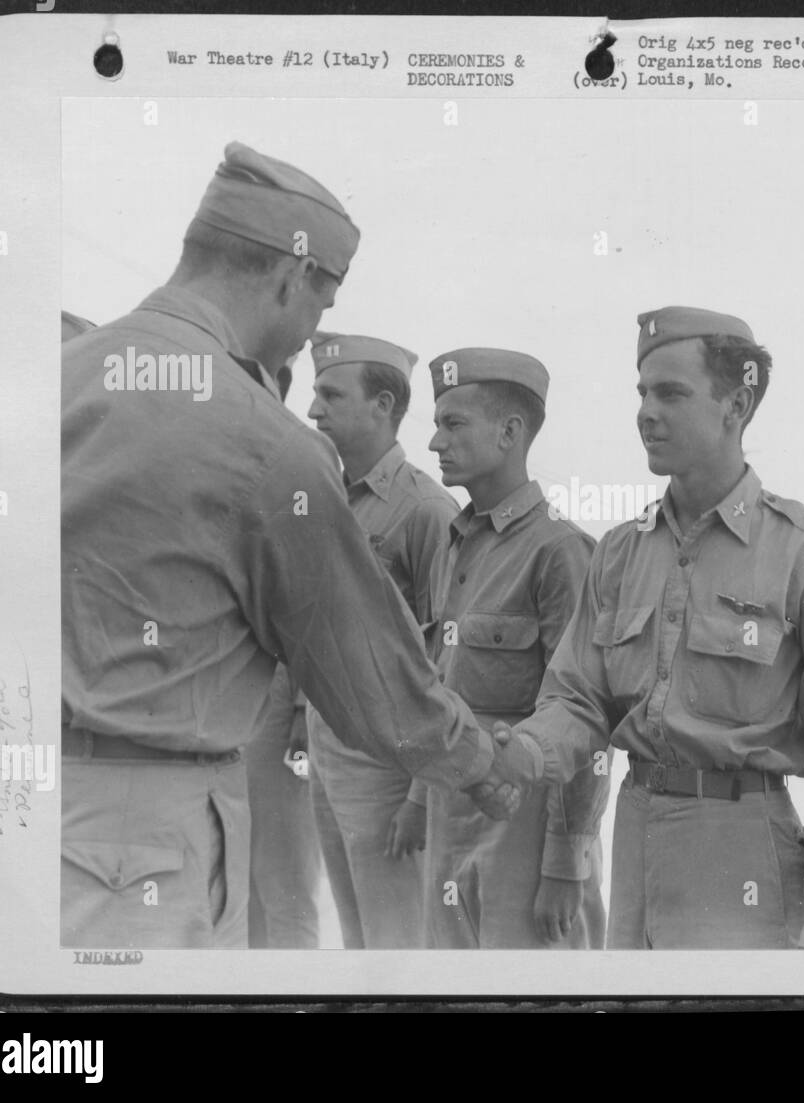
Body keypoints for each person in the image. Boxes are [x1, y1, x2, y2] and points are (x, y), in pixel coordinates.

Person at [60, 141, 535, 948]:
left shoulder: (59, 372)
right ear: (288, 278)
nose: (306, 342)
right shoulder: (264, 442)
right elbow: (371, 672)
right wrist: (482, 765)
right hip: (145, 839)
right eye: (317, 308)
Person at [498, 307, 804, 949]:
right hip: (637, 831)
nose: (647, 411)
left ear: (736, 404)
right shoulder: (621, 551)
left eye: (671, 393)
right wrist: (524, 751)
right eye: (643, 393)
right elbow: (577, 696)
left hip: (741, 853)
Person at [412, 347, 608, 948]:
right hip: (451, 819)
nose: (434, 442)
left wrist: (564, 863)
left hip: (524, 832)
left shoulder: (560, 552)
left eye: (453, 423)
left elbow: (585, 719)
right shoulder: (456, 541)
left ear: (510, 431)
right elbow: (442, 688)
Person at [302, 331, 459, 949]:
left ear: (385, 406)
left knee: (399, 949)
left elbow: (448, 660)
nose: (314, 410)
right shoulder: (322, 498)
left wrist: (421, 794)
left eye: (331, 394)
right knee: (356, 946)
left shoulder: (426, 511)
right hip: (327, 754)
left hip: (388, 767)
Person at [244, 356, 326, 950]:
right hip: (228, 695)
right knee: (241, 868)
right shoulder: (229, 456)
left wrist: (301, 706)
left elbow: (312, 599)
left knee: (287, 875)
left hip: (281, 690)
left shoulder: (295, 465)